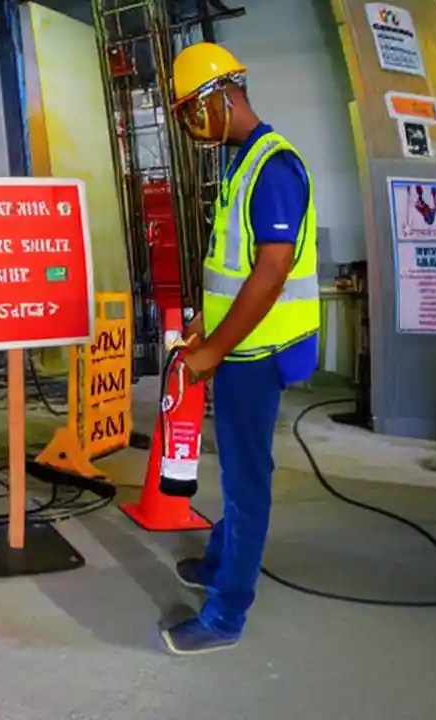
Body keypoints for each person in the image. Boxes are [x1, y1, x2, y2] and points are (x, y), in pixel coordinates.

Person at [162, 42, 320, 655]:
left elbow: (272, 271)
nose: (192, 127)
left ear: (222, 97)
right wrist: (205, 321)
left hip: (256, 354)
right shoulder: (241, 161)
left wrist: (215, 350)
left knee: (247, 480)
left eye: (191, 113)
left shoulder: (274, 166)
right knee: (238, 469)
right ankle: (219, 561)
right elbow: (232, 266)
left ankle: (226, 614)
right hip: (238, 346)